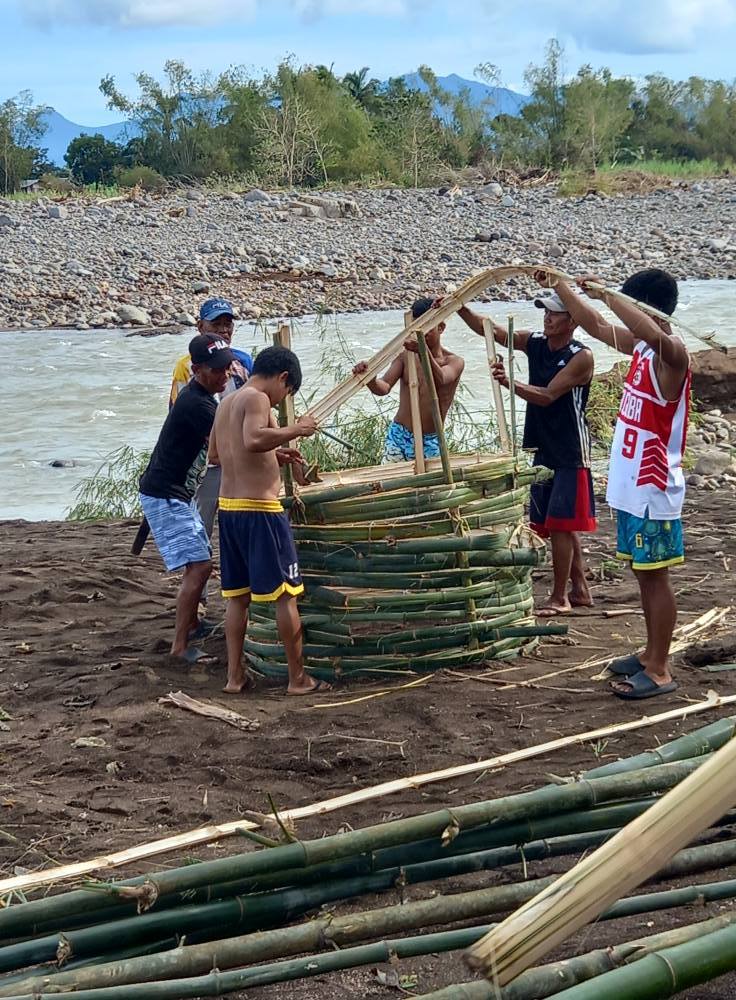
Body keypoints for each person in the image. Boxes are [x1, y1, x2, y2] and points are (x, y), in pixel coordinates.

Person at [547, 268, 690, 700]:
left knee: (655, 577)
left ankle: (661, 669)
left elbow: (639, 324)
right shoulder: (644, 346)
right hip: (634, 489)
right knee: (642, 572)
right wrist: (563, 288)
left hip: (654, 488)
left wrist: (611, 297)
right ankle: (650, 653)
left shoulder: (672, 353)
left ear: (644, 309)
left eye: (631, 306)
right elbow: (597, 326)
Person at [457, 289, 596, 616]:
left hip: (571, 449)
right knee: (553, 521)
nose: (547, 318)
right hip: (544, 445)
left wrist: (509, 382)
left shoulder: (581, 356)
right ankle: (580, 589)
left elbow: (548, 395)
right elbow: (492, 331)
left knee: (561, 524)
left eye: (554, 313)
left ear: (572, 320)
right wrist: (459, 307)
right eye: (545, 312)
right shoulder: (536, 342)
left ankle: (559, 596)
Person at [208, 345, 330, 697]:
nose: (280, 400)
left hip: (229, 508)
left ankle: (235, 677)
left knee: (237, 598)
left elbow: (218, 453)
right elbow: (252, 438)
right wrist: (296, 429)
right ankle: (298, 679)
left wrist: (275, 453)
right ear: (283, 378)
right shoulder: (258, 398)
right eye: (286, 393)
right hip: (260, 510)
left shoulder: (226, 403)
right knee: (286, 595)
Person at [139, 333, 234, 665]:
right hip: (165, 494)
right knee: (200, 565)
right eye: (217, 370)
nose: (224, 376)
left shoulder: (202, 397)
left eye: (227, 368)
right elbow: (226, 449)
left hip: (173, 491)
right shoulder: (199, 404)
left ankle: (192, 623)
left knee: (201, 561)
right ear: (196, 370)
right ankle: (179, 646)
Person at [351, 297, 465, 463]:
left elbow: (441, 379)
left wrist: (423, 353)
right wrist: (370, 378)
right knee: (390, 482)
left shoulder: (454, 361)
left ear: (441, 328)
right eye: (416, 329)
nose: (421, 335)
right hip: (399, 435)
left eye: (426, 330)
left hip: (431, 440)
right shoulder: (405, 357)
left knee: (430, 486)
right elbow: (383, 388)